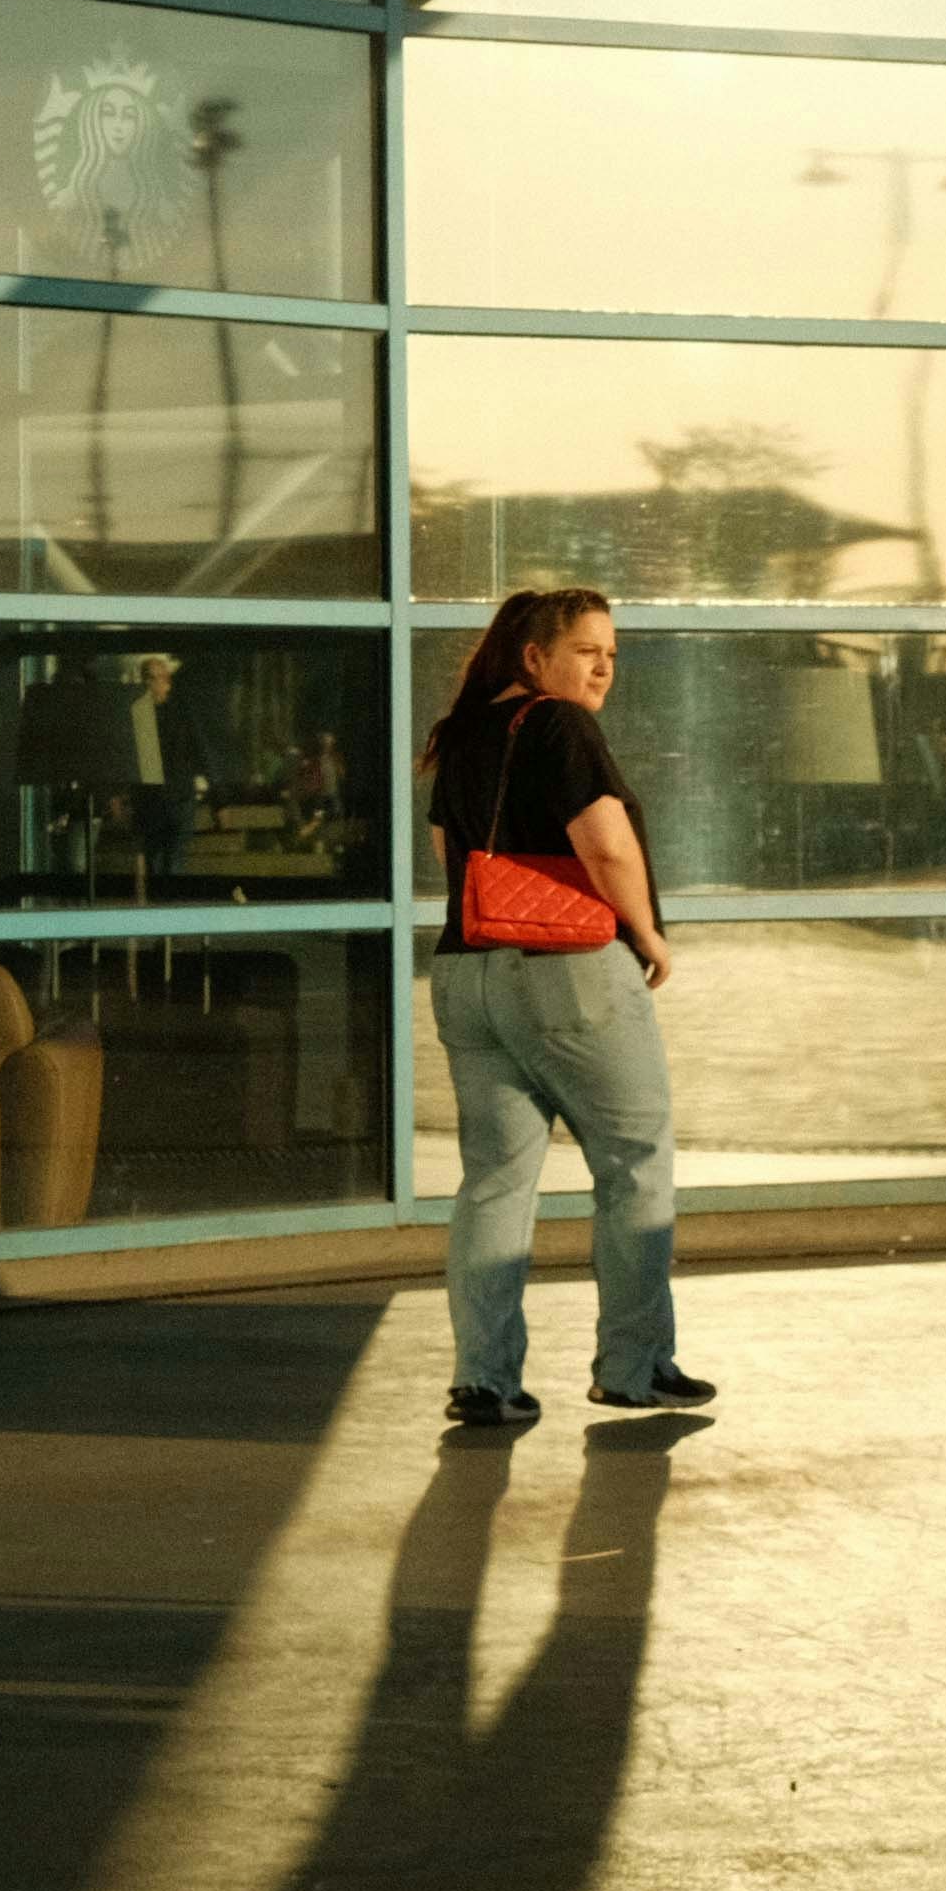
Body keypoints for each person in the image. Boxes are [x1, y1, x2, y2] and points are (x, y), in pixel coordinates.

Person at [418, 586, 707, 1429]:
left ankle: (483, 1377)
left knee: (495, 1182)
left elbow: (448, 848)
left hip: (466, 976)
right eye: (588, 650)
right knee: (634, 1164)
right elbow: (605, 842)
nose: (604, 667)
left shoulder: (463, 732)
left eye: (611, 653)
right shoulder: (557, 723)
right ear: (534, 657)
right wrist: (646, 933)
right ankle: (633, 1365)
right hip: (567, 968)